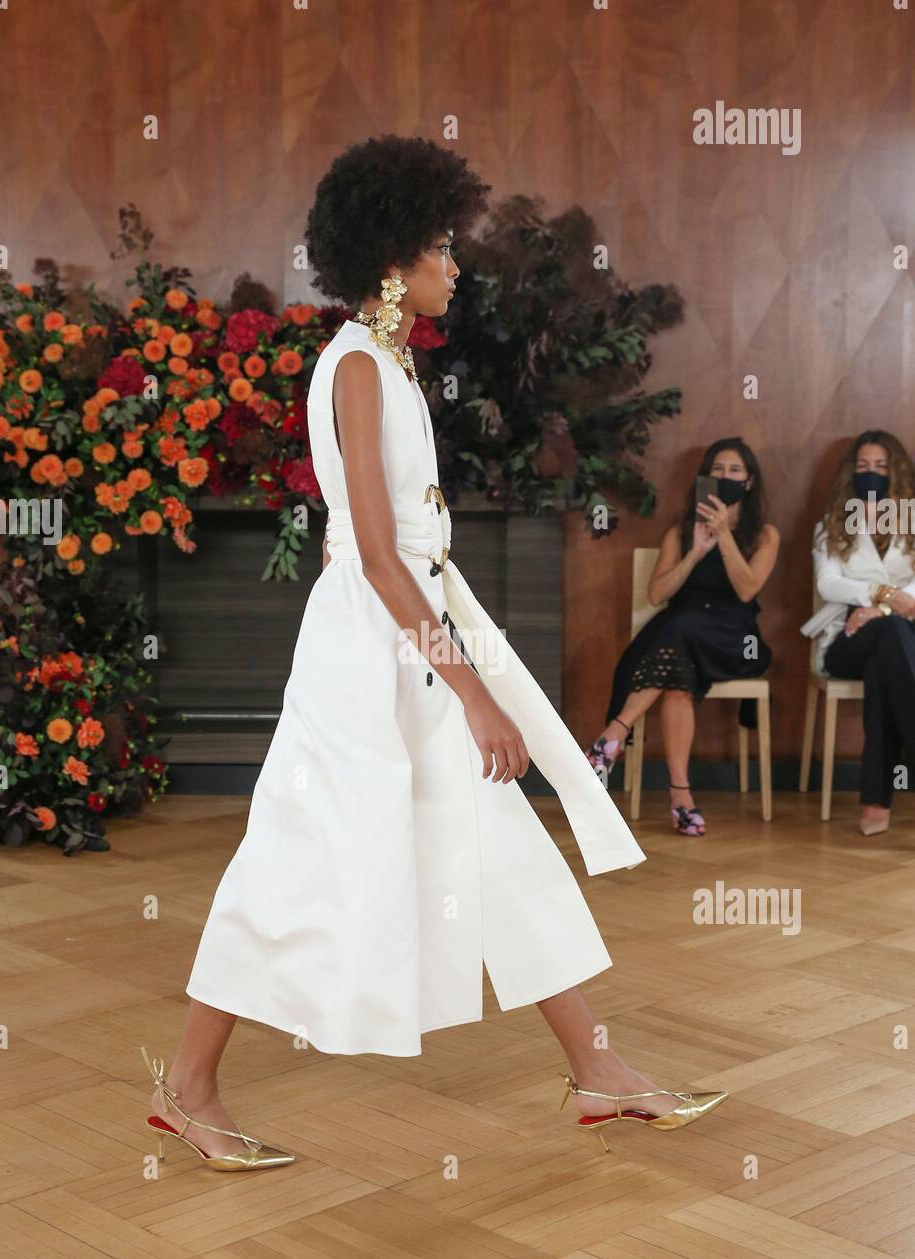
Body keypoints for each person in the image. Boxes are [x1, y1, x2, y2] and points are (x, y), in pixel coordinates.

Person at [139, 136, 727, 1170]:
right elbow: (372, 551)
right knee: (293, 860)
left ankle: (598, 1067)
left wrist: (459, 678)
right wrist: (475, 695)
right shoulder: (358, 366)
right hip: (367, 657)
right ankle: (187, 1085)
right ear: (389, 257)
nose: (455, 265)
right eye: (442, 246)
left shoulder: (390, 361)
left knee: (496, 842)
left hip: (406, 639)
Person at [586, 438, 779, 835]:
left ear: (749, 481)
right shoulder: (681, 530)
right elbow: (657, 595)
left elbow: (747, 590)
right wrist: (696, 551)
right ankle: (680, 796)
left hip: (732, 637)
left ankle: (614, 734)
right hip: (680, 634)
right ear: (705, 479)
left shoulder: (764, 535)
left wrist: (723, 536)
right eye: (718, 470)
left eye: (734, 471)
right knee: (677, 679)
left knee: (677, 629)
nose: (725, 477)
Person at [810, 429, 915, 836]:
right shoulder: (831, 524)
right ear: (851, 474)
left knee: (885, 658)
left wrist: (883, 609)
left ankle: (875, 800)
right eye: (864, 466)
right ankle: (878, 795)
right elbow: (828, 583)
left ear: (897, 473)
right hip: (845, 638)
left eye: (881, 467)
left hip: (897, 635)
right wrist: (881, 594)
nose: (872, 474)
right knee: (886, 638)